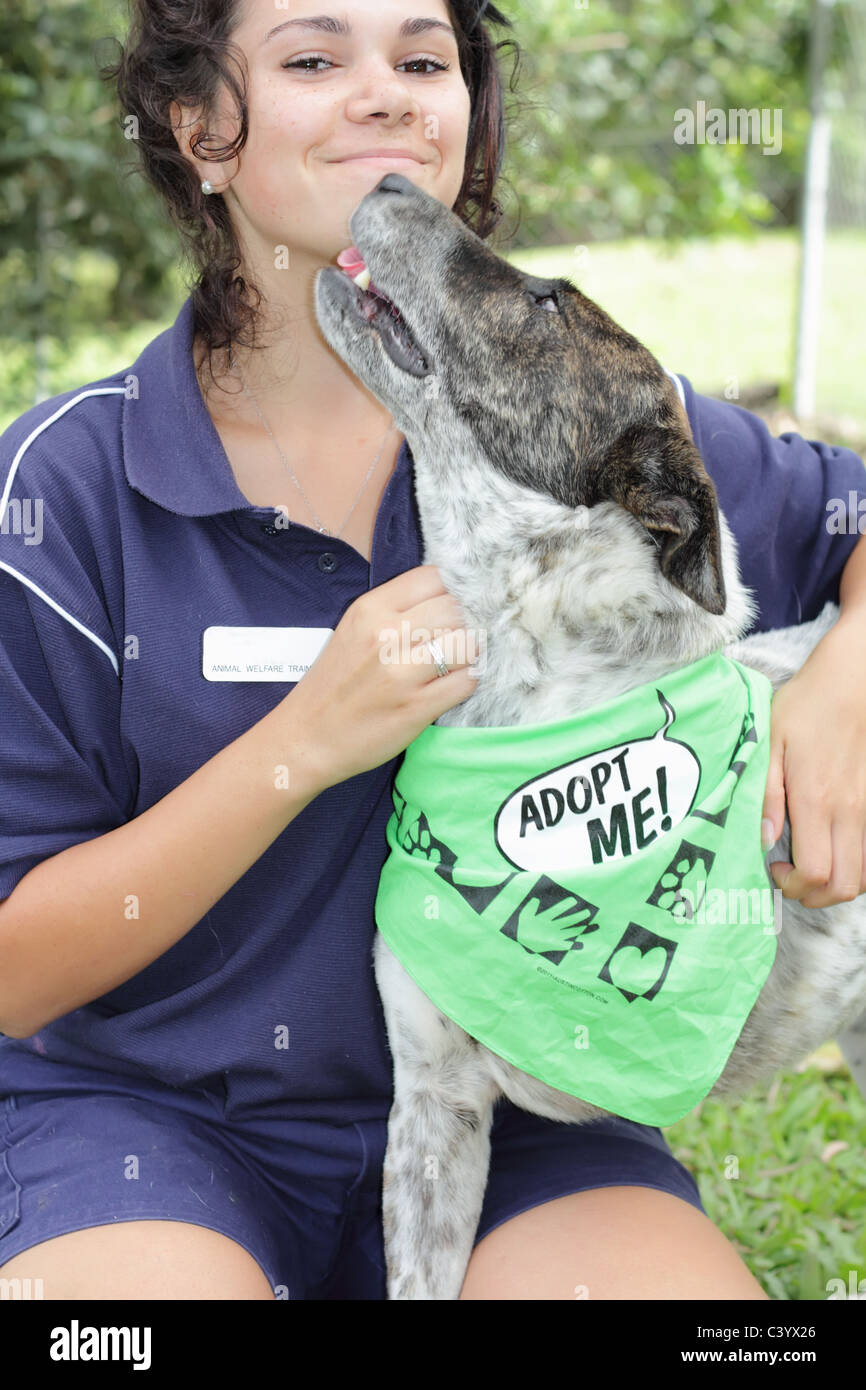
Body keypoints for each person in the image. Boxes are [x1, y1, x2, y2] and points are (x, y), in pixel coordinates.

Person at [1, 0, 865, 1303]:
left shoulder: (580, 418)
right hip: (146, 1127)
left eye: (422, 60)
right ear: (199, 132)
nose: (388, 93)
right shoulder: (59, 492)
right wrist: (302, 741)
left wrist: (843, 684)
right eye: (312, 57)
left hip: (522, 1129)